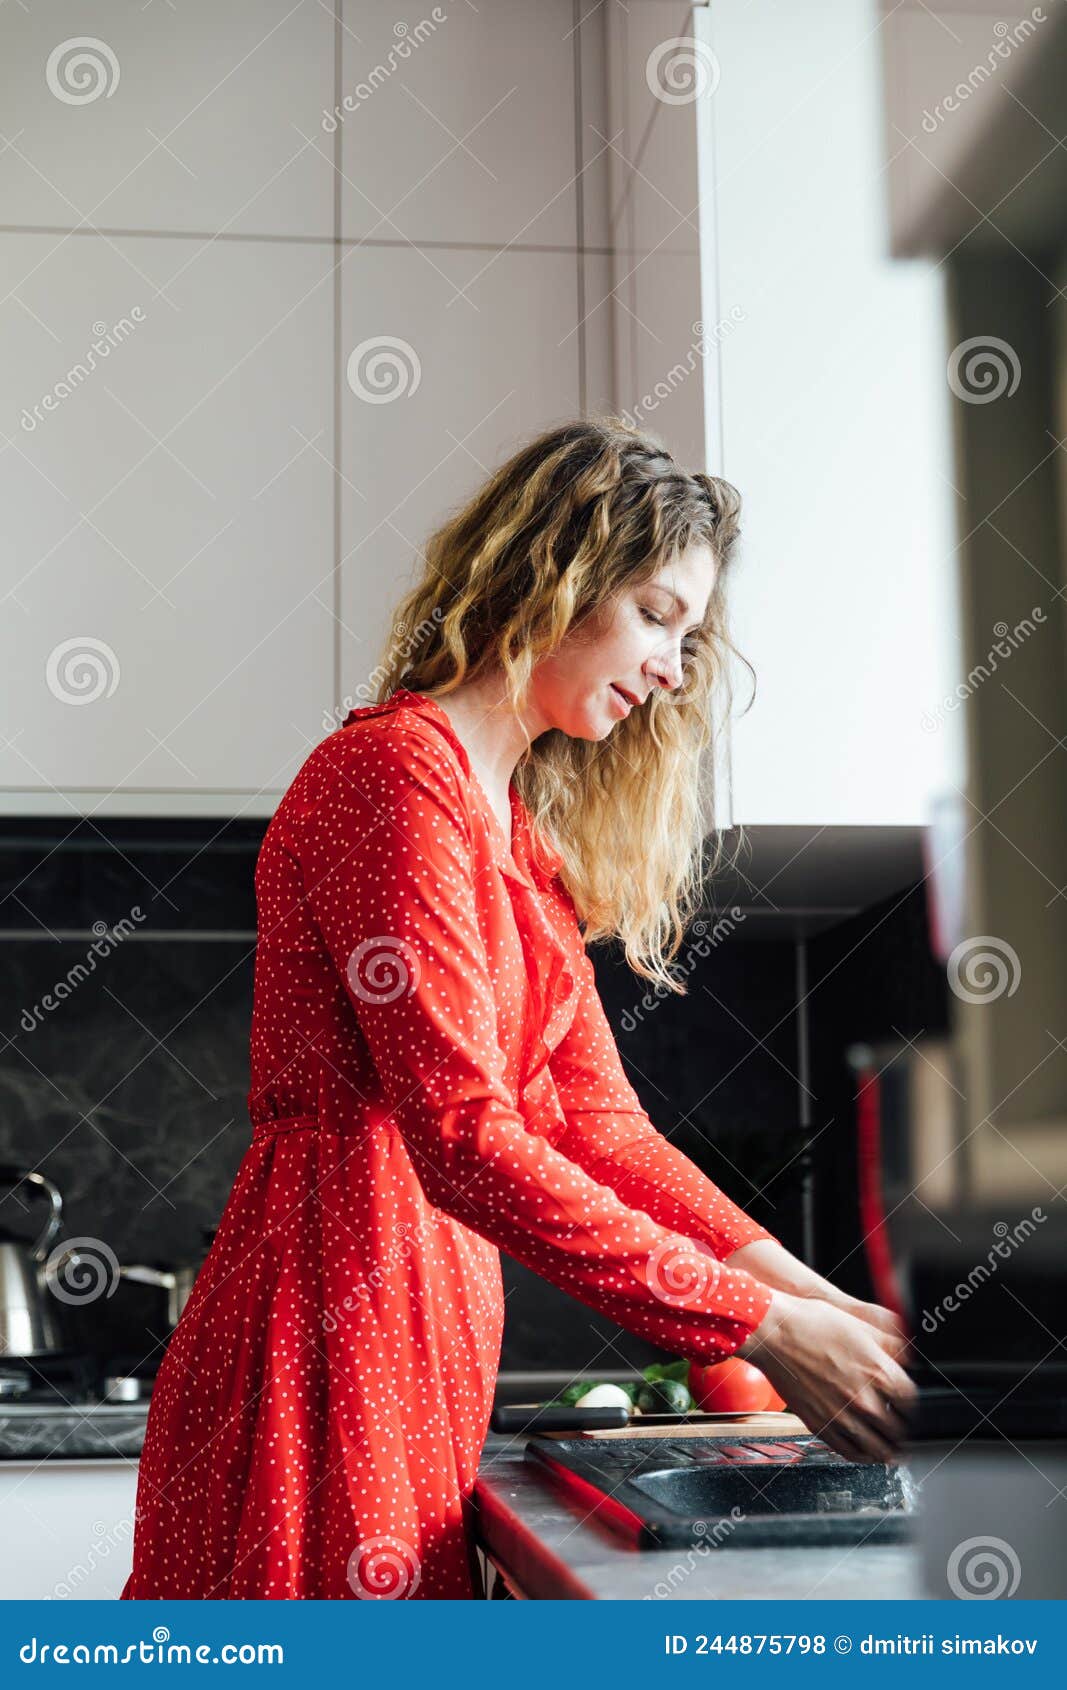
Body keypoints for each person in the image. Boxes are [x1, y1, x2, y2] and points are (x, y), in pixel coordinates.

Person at [119, 418, 915, 1601]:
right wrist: (759, 1327)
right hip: (331, 1323)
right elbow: (461, 1137)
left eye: (688, 635)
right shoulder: (390, 778)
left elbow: (602, 1129)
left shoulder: (512, 837)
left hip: (426, 1321)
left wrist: (817, 1301)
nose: (672, 665)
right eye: (655, 613)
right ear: (554, 573)